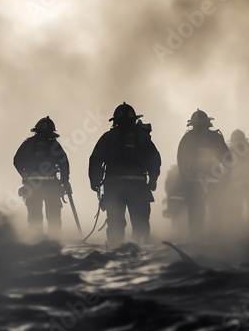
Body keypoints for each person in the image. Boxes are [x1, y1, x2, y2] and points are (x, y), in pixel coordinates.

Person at [88, 102, 161, 244]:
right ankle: (143, 251)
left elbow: (95, 160)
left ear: (115, 120)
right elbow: (154, 160)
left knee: (115, 224)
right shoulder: (143, 137)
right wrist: (153, 181)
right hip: (139, 187)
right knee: (141, 223)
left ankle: (115, 249)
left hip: (114, 187)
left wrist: (95, 181)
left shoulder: (108, 137)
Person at [176, 109, 230, 238]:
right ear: (208, 123)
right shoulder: (216, 137)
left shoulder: (187, 138)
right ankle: (217, 240)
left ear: (192, 124)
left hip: (194, 182)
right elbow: (228, 159)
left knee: (196, 213)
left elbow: (181, 161)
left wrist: (184, 180)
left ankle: (197, 240)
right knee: (216, 212)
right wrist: (226, 178)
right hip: (214, 181)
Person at [13, 116, 70, 238]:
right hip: (52, 186)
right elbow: (64, 163)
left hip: (32, 185)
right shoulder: (54, 145)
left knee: (35, 217)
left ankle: (36, 242)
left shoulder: (28, 144)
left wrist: (24, 174)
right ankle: (55, 241)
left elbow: (17, 160)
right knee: (53, 217)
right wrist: (65, 180)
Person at [219, 129, 249, 231]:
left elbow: (226, 169)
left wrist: (226, 184)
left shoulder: (230, 150)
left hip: (235, 185)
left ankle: (239, 232)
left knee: (236, 211)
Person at [162, 164, 187, 238]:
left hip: (173, 199)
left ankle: (176, 234)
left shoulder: (171, 174)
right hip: (183, 199)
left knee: (175, 217)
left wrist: (169, 196)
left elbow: (167, 187)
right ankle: (181, 235)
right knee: (183, 217)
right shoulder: (186, 173)